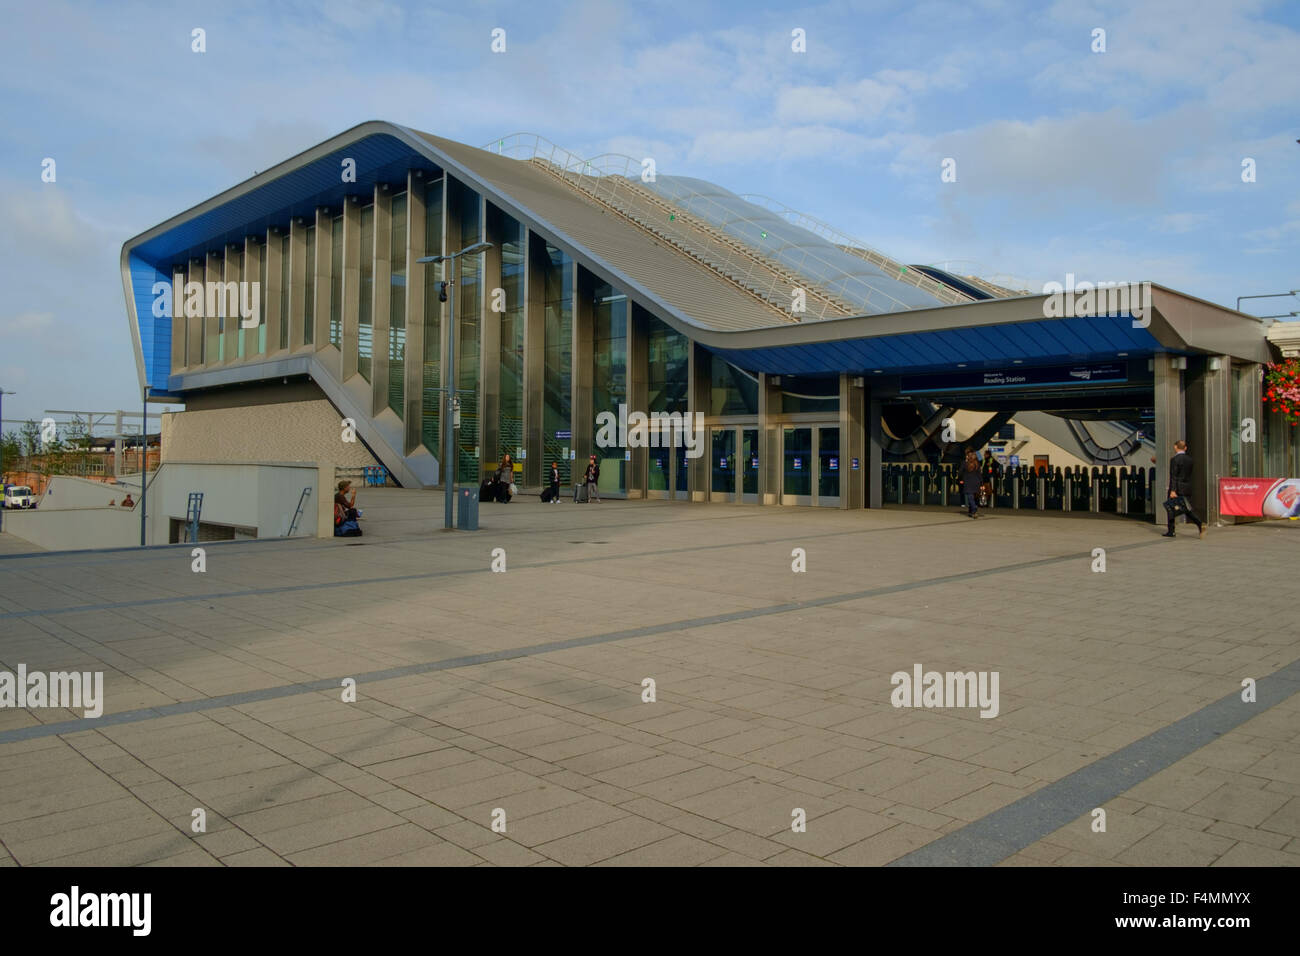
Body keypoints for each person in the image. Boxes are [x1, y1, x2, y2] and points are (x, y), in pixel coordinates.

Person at [1163, 440, 1204, 538]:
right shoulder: (1190, 459)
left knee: (1170, 508)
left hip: (1177, 488)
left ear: (1175, 447)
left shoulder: (1175, 460)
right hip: (1187, 487)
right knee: (1186, 508)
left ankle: (1171, 531)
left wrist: (1172, 490)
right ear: (1185, 448)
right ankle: (1199, 523)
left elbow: (1174, 476)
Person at [961, 448, 981, 518]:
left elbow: (960, 472)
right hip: (976, 481)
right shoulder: (977, 463)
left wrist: (960, 479)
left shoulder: (965, 463)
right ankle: (971, 512)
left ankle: (974, 508)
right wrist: (981, 482)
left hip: (968, 481)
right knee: (973, 497)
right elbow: (979, 473)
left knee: (970, 496)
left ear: (967, 456)